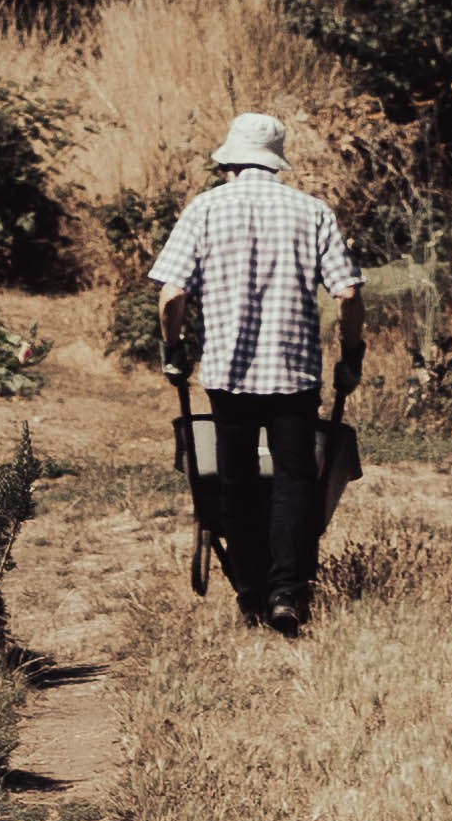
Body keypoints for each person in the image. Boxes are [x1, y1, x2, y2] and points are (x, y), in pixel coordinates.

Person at [150, 112, 361, 633]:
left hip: (228, 373)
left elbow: (172, 292)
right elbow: (349, 292)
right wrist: (351, 354)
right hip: (294, 372)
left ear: (231, 161)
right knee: (294, 478)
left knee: (236, 481)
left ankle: (250, 597)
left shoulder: (204, 210)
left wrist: (172, 348)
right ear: (275, 160)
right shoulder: (312, 212)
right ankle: (288, 592)